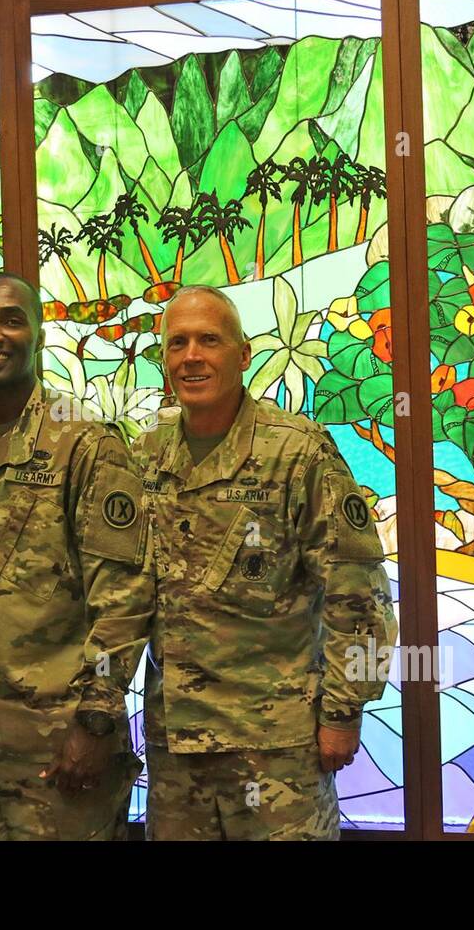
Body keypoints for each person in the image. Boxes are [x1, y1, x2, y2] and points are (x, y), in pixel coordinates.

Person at [131, 285, 398, 841]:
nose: (192, 356)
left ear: (244, 355)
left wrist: (344, 710)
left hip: (278, 748)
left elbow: (360, 588)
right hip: (176, 746)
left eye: (209, 340)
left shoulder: (297, 451)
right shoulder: (146, 453)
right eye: (177, 343)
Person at [0, 272, 153, 840]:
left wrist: (96, 721)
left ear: (39, 335)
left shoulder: (85, 443)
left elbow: (124, 596)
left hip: (55, 746)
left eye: (11, 319)